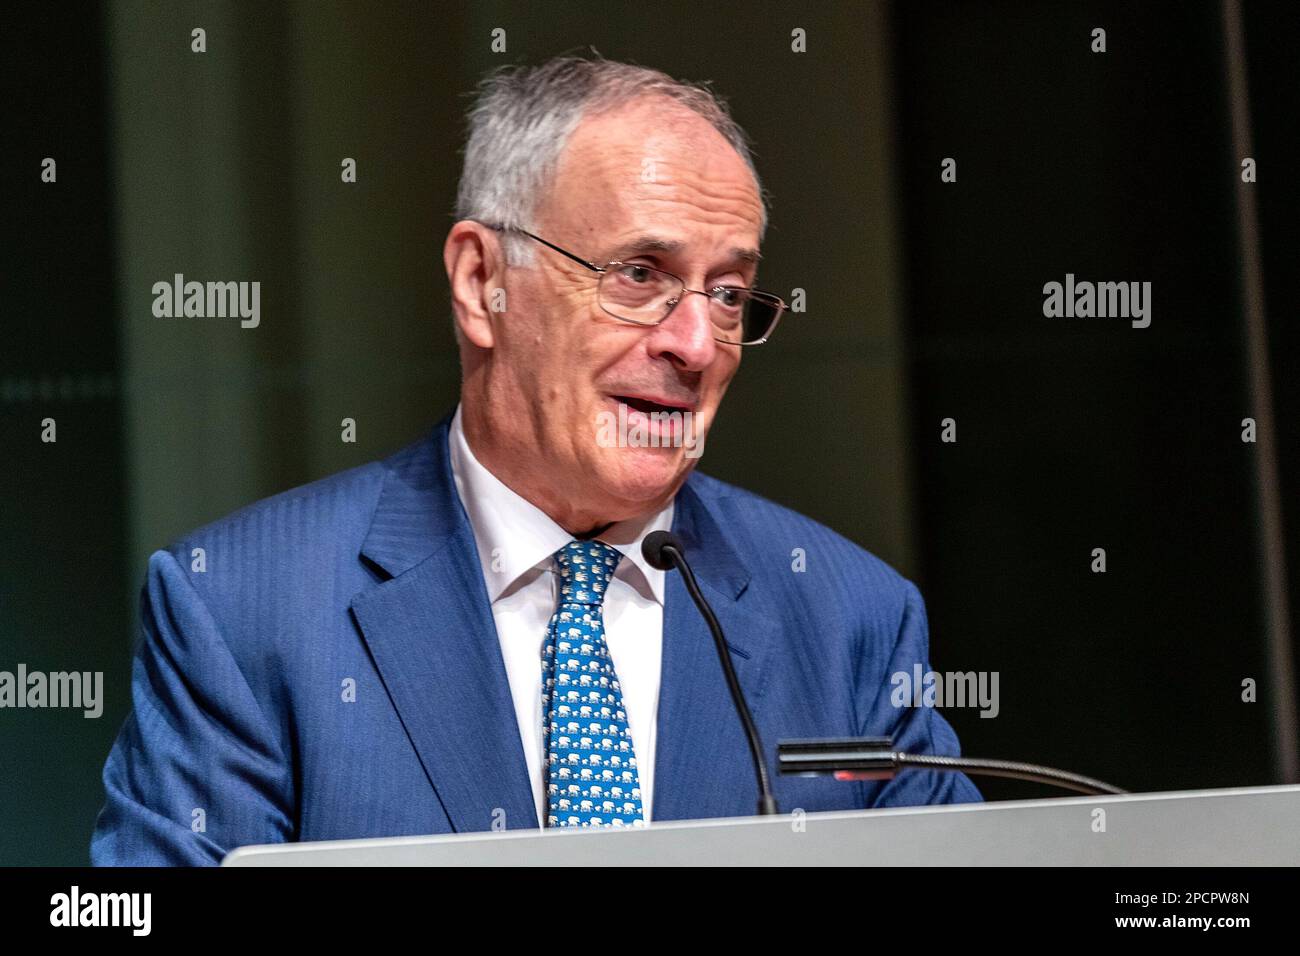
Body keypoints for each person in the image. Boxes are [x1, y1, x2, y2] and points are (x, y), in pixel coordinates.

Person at [91, 54, 980, 866]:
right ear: (483, 282)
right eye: (639, 275)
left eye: (729, 293)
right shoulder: (245, 611)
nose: (697, 343)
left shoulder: (850, 620)